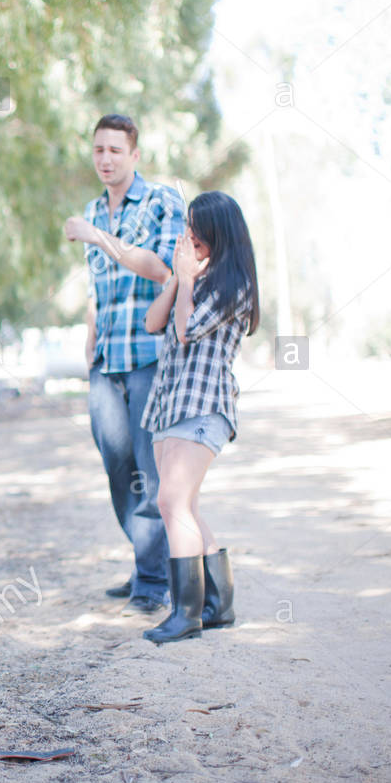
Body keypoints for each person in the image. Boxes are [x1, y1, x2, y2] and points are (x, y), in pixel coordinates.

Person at [65, 113, 184, 615]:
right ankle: (145, 563)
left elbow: (162, 269)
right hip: (107, 361)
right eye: (98, 150)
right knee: (118, 468)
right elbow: (100, 289)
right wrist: (90, 335)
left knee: (150, 472)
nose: (106, 158)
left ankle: (154, 581)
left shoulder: (162, 201)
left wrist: (97, 237)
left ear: (135, 154)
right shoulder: (95, 208)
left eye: (115, 149)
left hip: (148, 357)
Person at [140, 191, 259, 643]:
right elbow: (156, 322)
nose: (188, 235)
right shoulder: (194, 278)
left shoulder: (234, 285)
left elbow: (186, 330)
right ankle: (218, 606)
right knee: (183, 506)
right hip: (170, 404)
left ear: (218, 233)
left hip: (204, 405)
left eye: (196, 228)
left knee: (171, 502)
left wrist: (187, 281)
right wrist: (177, 277)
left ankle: (186, 614)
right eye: (187, 227)